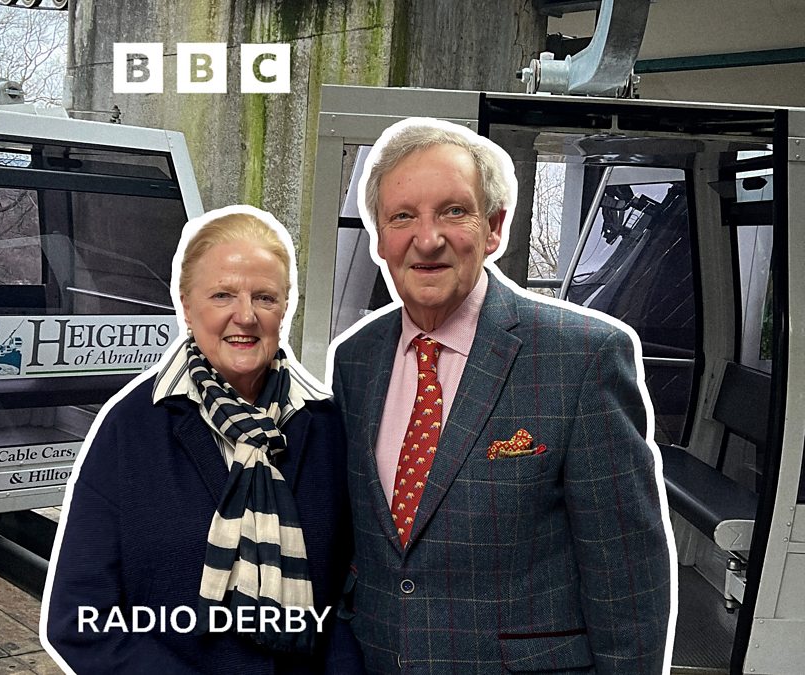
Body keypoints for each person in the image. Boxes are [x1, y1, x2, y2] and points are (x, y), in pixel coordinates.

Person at [329, 118, 673, 674]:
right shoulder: (356, 359)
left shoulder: (582, 358)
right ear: (379, 238)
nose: (427, 238)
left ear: (493, 228)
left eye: (453, 211)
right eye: (402, 217)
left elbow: (627, 578)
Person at [43, 206, 360, 674]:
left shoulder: (328, 427)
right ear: (186, 306)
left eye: (266, 297)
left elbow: (348, 603)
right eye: (222, 295)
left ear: (286, 308)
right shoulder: (129, 430)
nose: (245, 316)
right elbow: (77, 620)